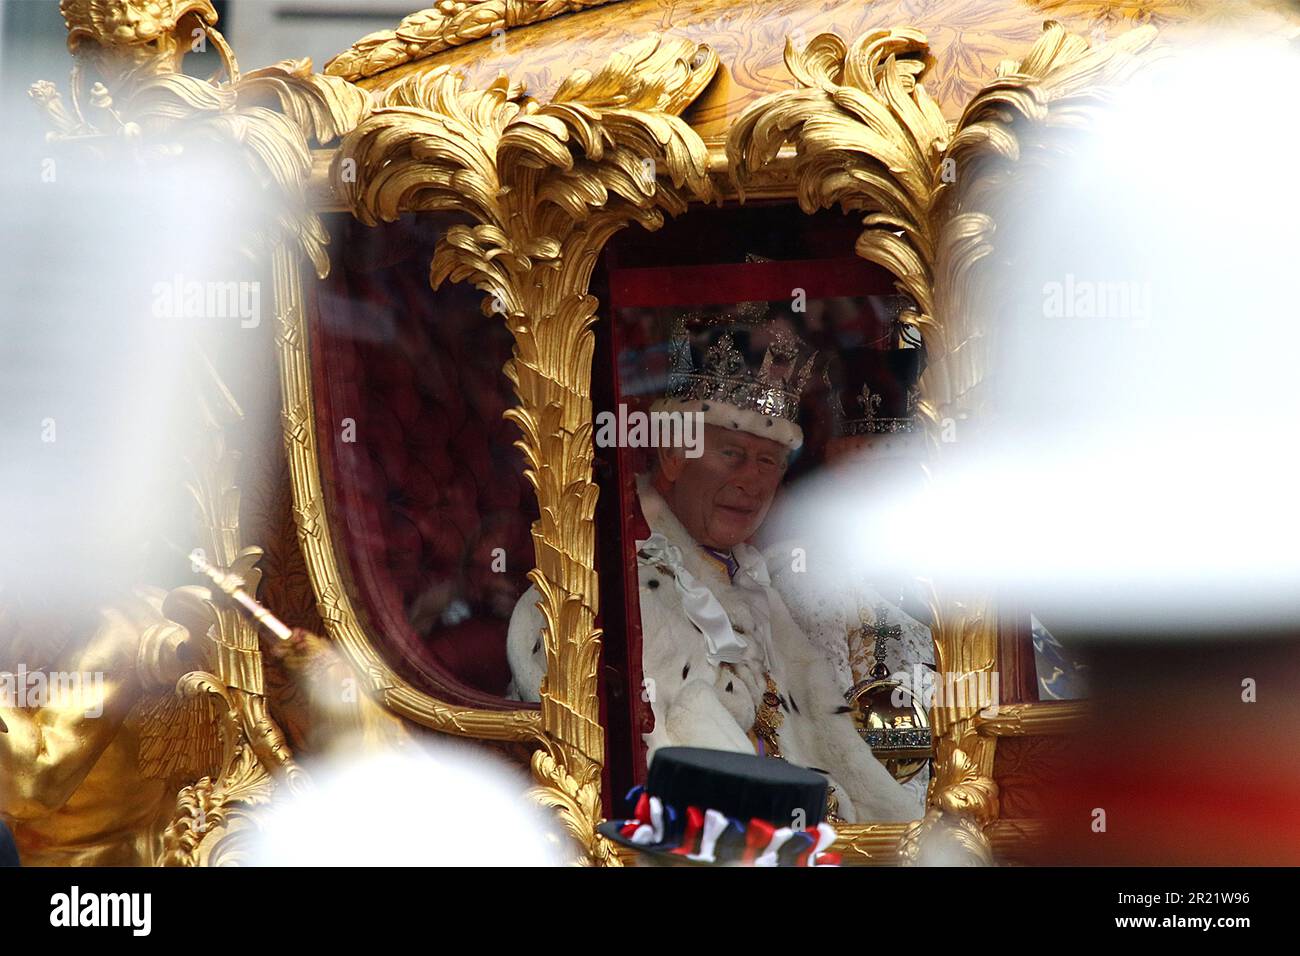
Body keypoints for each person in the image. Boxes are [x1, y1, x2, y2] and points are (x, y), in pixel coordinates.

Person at [507, 315, 915, 823]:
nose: (753, 482)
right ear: (674, 457)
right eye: (733, 454)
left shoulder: (752, 584)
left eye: (768, 463)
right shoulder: (609, 591)